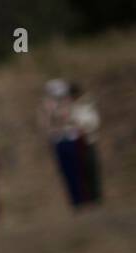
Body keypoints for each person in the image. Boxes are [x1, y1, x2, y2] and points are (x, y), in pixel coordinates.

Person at [39, 79, 86, 207]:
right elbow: (47, 124)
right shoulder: (48, 106)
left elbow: (69, 118)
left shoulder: (67, 103)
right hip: (59, 140)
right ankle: (75, 201)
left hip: (71, 137)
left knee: (78, 169)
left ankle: (84, 198)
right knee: (67, 172)